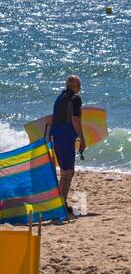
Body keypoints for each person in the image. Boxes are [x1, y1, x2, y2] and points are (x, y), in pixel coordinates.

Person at [47, 75, 85, 213]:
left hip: (57, 137)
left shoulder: (59, 98)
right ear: (78, 87)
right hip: (66, 138)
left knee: (64, 172)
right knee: (69, 172)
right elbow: (75, 119)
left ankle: (60, 203)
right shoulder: (76, 99)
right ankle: (61, 205)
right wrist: (82, 138)